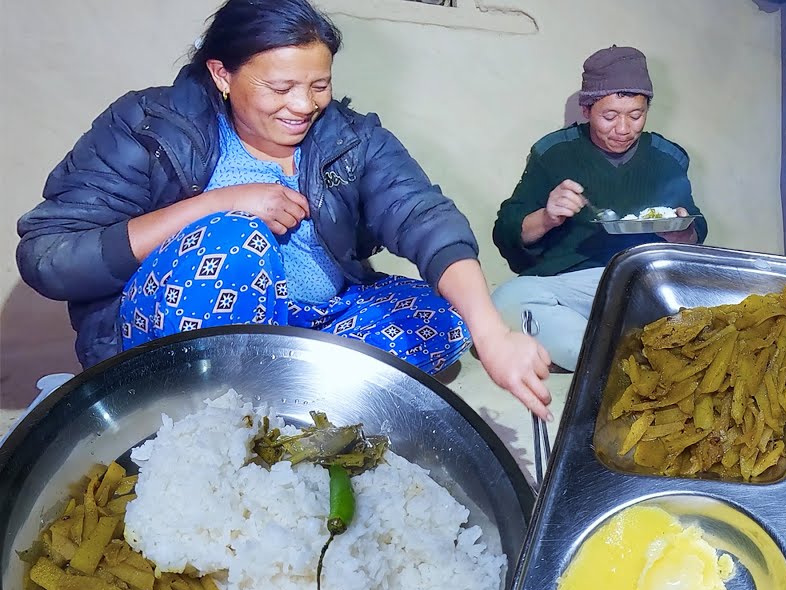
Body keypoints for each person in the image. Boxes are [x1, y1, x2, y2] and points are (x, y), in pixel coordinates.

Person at [16, 0, 551, 418]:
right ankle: (206, 405)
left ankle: (278, 390)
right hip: (169, 333)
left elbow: (422, 215)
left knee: (449, 313)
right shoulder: (149, 124)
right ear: (222, 75)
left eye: (319, 85)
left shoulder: (350, 138)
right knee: (233, 239)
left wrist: (492, 333)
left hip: (311, 325)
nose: (303, 105)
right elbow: (49, 256)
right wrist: (221, 203)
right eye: (280, 87)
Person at [491, 46, 709, 370]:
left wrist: (681, 233)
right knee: (505, 301)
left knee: (706, 301)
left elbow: (695, 231)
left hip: (643, 283)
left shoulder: (666, 157)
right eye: (609, 116)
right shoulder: (554, 152)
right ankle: (627, 358)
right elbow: (506, 230)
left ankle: (597, 355)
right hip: (572, 287)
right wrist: (547, 217)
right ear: (586, 109)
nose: (623, 129)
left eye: (636, 115)